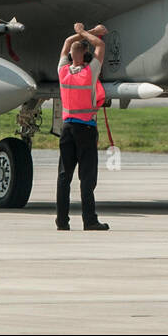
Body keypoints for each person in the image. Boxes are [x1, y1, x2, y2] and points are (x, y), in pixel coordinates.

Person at [56, 22, 110, 231]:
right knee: (87, 178)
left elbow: (67, 42)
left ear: (70, 56)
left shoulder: (62, 72)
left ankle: (62, 221)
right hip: (86, 130)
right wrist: (88, 33)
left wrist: (79, 34)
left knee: (64, 177)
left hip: (67, 128)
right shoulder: (90, 72)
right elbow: (100, 46)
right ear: (86, 53)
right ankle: (89, 220)